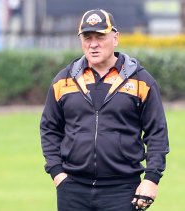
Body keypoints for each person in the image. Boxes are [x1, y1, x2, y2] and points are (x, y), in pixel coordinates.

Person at [40, 8, 169, 211]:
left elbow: (157, 133)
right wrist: (57, 173)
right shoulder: (63, 80)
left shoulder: (141, 81)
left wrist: (152, 179)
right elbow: (49, 128)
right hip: (72, 189)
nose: (93, 44)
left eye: (100, 36)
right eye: (87, 37)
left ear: (115, 38)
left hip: (124, 190)